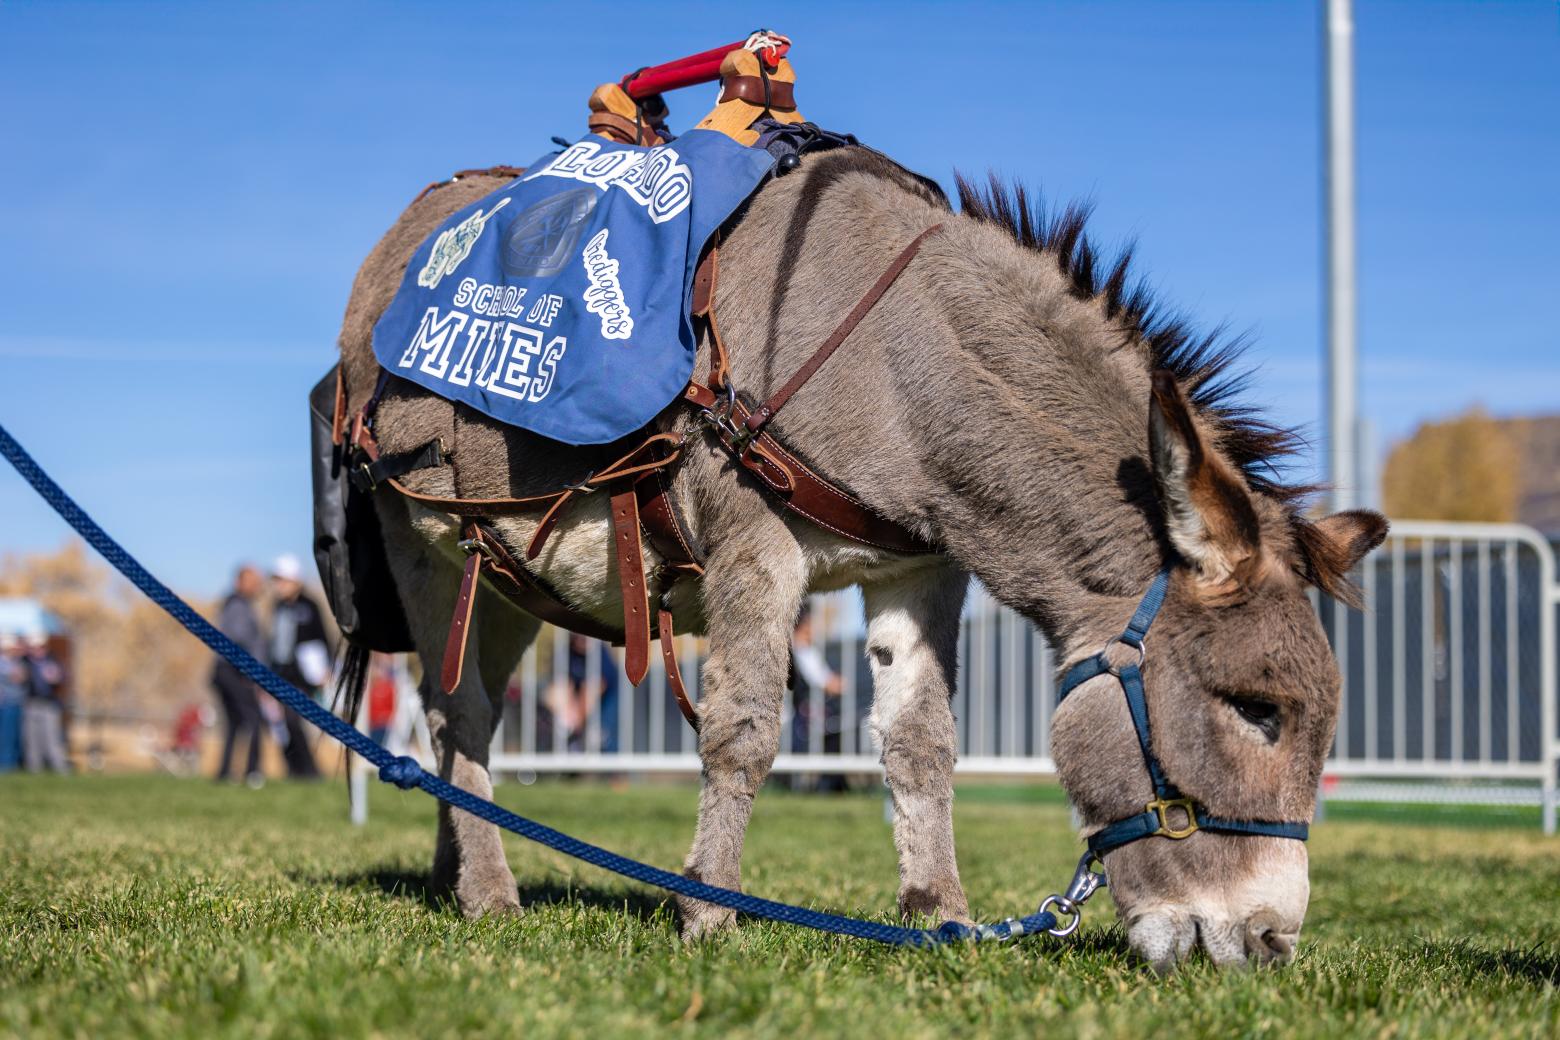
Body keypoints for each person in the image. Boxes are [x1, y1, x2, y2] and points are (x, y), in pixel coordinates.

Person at [268, 554, 329, 780]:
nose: (279, 585)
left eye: (283, 580)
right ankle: (294, 769)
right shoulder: (277, 607)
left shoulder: (309, 605)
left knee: (293, 719)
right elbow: (274, 641)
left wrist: (326, 669)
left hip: (305, 675)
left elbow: (323, 637)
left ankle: (309, 771)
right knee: (284, 724)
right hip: (281, 673)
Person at [212, 565, 267, 785]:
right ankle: (252, 772)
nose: (257, 586)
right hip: (233, 671)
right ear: (239, 582)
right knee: (253, 719)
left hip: (227, 670)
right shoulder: (238, 605)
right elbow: (238, 637)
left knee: (234, 723)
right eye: (252, 581)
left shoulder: (237, 604)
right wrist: (248, 669)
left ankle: (225, 773)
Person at [790, 605, 846, 792]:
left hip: (808, 710)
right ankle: (830, 785)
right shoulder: (803, 653)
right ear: (804, 626)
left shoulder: (804, 652)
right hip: (805, 714)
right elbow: (827, 683)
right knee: (836, 728)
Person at [21, 634, 69, 773]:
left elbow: (63, 678)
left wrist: (57, 678)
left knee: (52, 738)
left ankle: (60, 769)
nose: (38, 650)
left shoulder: (53, 661)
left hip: (49, 703)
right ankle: (35, 770)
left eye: (41, 647)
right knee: (32, 740)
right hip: (31, 703)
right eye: (35, 647)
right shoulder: (25, 662)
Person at [0, 635, 26, 772]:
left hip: (15, 703)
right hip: (6, 704)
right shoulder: (3, 663)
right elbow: (17, 677)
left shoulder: (15, 662)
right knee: (6, 736)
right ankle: (5, 766)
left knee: (15, 737)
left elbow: (22, 677)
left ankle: (12, 764)